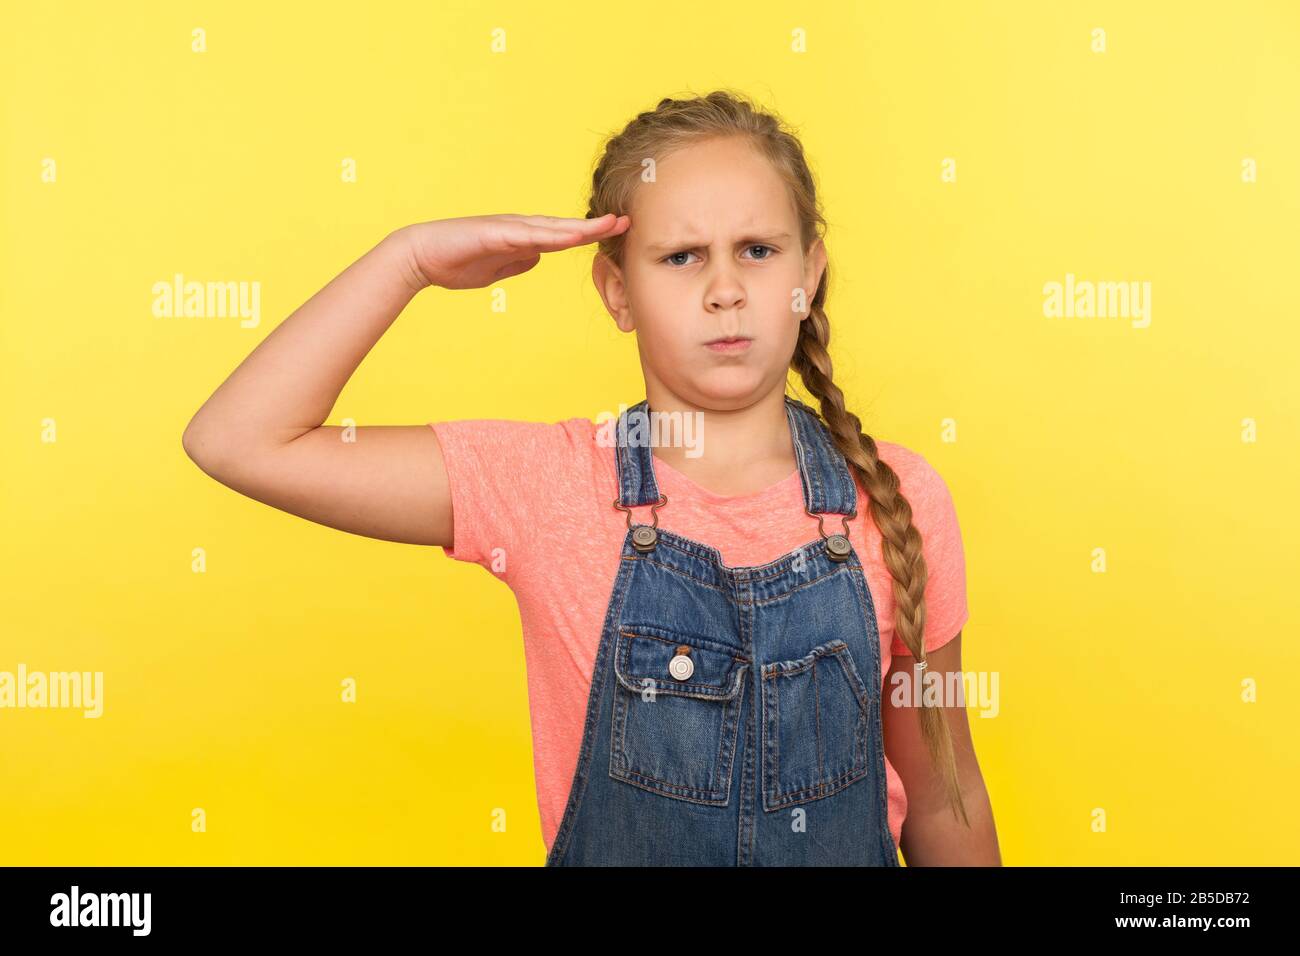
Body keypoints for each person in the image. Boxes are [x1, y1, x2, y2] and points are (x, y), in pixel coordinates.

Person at [182, 89, 1001, 866]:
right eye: (681, 256)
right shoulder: (548, 487)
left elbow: (945, 792)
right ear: (618, 291)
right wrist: (410, 260)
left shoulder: (899, 497)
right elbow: (239, 440)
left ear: (808, 273)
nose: (724, 290)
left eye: (757, 250)